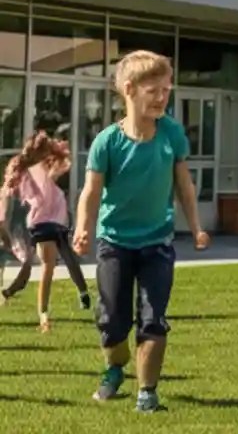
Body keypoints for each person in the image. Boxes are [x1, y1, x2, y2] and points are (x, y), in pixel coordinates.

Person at [72, 50, 211, 413]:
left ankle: (147, 393)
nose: (163, 97)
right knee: (112, 320)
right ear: (130, 90)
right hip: (114, 243)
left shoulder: (171, 133)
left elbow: (184, 184)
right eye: (154, 90)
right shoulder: (107, 142)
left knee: (153, 319)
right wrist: (83, 229)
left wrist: (196, 227)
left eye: (167, 89)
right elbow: (91, 191)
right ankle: (114, 368)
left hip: (157, 242)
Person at [0, 131, 92, 331]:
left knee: (67, 258)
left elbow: (65, 162)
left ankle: (83, 292)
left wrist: (59, 150)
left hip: (56, 221)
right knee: (46, 266)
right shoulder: (24, 170)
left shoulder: (46, 167)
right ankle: (43, 315)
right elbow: (10, 194)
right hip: (38, 223)